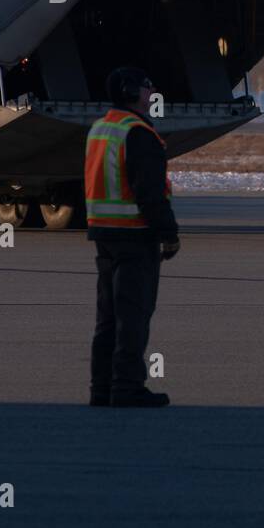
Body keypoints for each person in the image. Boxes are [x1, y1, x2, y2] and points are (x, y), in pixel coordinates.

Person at [84, 67, 180, 408]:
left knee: (107, 317)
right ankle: (126, 387)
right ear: (130, 91)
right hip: (134, 236)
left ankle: (101, 388)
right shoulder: (138, 133)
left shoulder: (101, 128)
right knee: (133, 315)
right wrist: (168, 233)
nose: (152, 91)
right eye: (146, 86)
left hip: (104, 234)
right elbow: (149, 192)